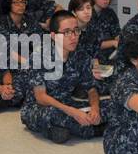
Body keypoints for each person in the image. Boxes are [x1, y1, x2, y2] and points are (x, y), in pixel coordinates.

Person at [20, 10, 107, 143]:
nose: (73, 37)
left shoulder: (80, 55)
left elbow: (91, 88)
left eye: (76, 31)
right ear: (54, 36)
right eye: (66, 32)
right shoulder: (40, 56)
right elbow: (41, 97)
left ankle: (64, 129)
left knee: (110, 104)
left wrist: (95, 108)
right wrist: (72, 112)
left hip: (66, 102)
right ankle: (95, 129)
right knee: (53, 115)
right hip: (40, 108)